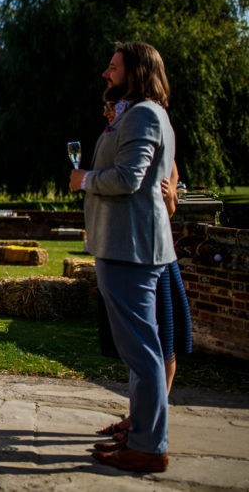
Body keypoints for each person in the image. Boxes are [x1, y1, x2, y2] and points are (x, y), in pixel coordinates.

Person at [70, 41, 175, 473]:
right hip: (126, 246)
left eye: (113, 67)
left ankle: (149, 448)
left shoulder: (145, 115)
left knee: (142, 352)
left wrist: (84, 179)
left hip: (129, 248)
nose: (106, 73)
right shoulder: (140, 113)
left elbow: (129, 179)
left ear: (136, 72)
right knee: (139, 351)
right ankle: (141, 432)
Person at [96, 158, 192, 439]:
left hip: (157, 257)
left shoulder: (166, 160)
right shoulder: (124, 153)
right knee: (137, 346)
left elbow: (169, 210)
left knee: (164, 343)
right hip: (125, 256)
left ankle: (146, 424)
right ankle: (139, 418)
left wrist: (169, 196)